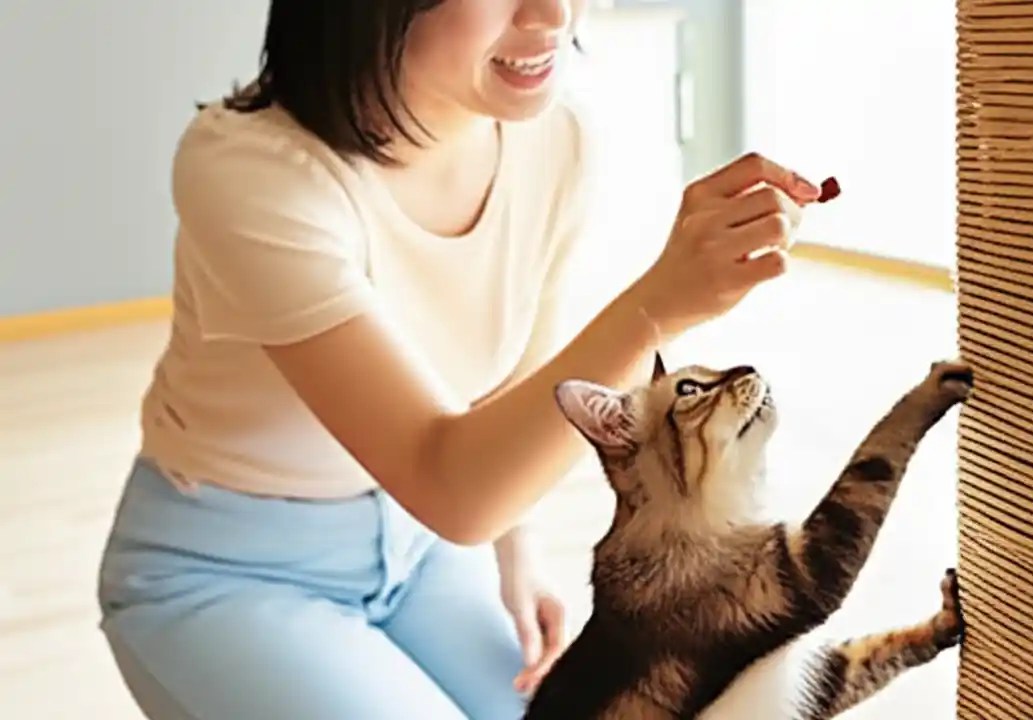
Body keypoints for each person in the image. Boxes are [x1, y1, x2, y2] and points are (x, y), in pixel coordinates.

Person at [94, 1, 826, 718]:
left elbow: (513, 390)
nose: (552, 16)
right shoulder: (252, 169)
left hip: (422, 554)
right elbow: (451, 488)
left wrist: (518, 550)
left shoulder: (556, 137)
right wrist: (659, 306)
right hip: (223, 571)